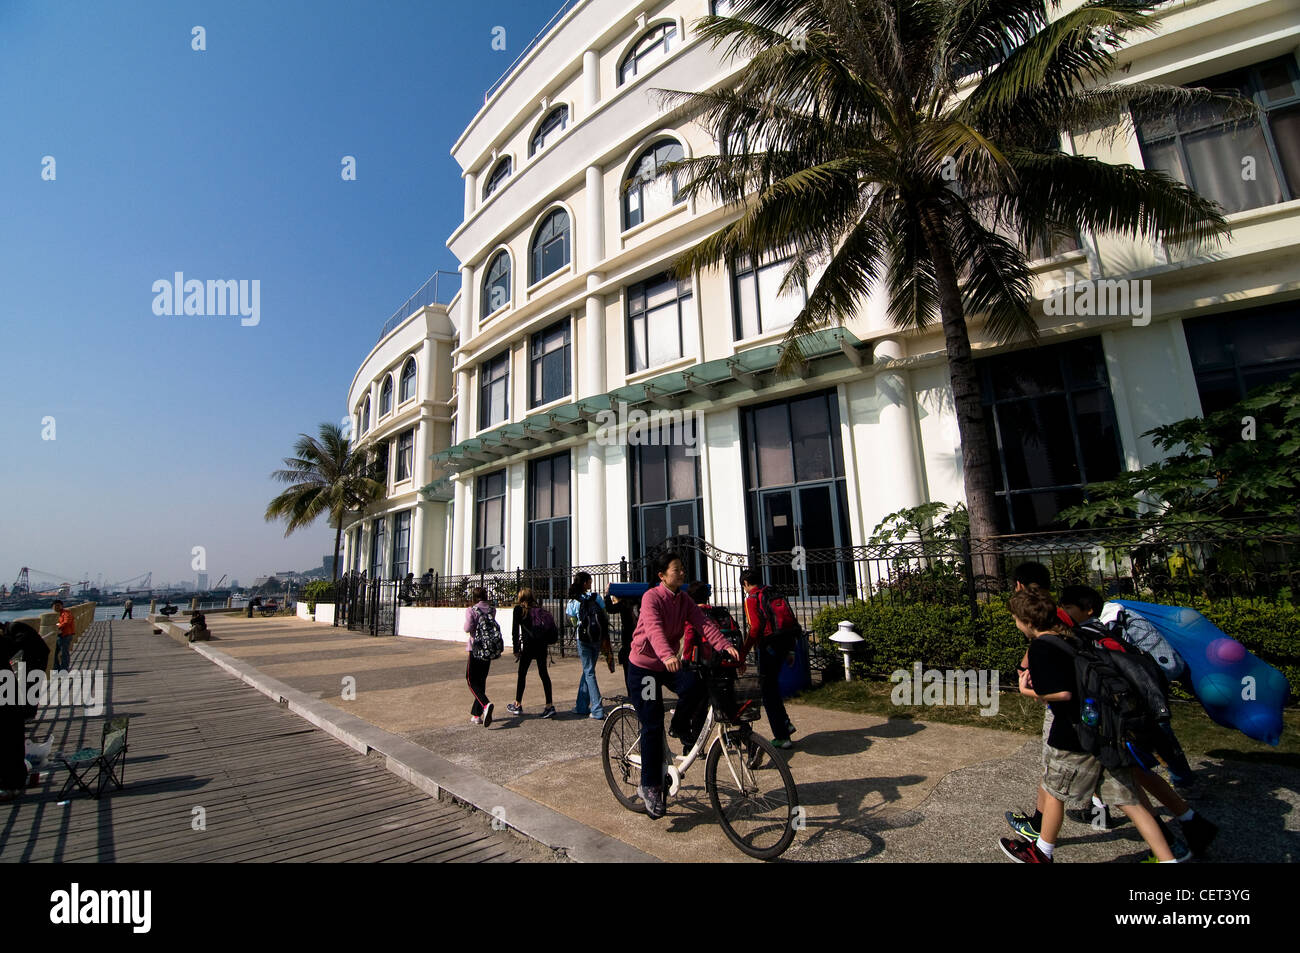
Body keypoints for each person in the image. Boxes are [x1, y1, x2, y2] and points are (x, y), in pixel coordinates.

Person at [999, 586, 1177, 863]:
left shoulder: (1041, 648)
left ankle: (1041, 853)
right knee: (1129, 799)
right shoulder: (1070, 638)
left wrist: (1028, 692)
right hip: (1104, 730)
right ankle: (1168, 858)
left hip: (1075, 733)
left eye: (1016, 619)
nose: (1016, 623)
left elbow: (1062, 694)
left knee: (1055, 791)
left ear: (1027, 622)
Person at [1056, 585, 1216, 859]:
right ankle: (1188, 821)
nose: (1064, 613)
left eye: (1068, 608)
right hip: (1119, 721)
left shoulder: (1092, 636)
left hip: (1113, 723)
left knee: (1126, 784)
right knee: (1136, 775)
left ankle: (1170, 846)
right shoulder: (1098, 632)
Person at [626, 551, 741, 819]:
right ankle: (650, 785)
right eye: (676, 569)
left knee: (696, 685)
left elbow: (704, 624)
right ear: (662, 575)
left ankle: (678, 726)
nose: (681, 573)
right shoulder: (651, 597)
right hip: (645, 668)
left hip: (668, 665)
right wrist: (666, 654)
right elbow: (653, 629)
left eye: (682, 569)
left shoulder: (683, 599)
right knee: (652, 724)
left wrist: (725, 645)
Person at [739, 569, 797, 750]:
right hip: (784, 644)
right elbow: (786, 621)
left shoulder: (752, 599)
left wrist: (743, 652)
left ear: (746, 584)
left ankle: (782, 735)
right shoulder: (772, 592)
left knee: (768, 692)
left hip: (768, 647)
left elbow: (755, 628)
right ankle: (785, 723)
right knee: (773, 687)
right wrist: (790, 650)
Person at [566, 572, 610, 721]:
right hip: (596, 638)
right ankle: (581, 706)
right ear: (585, 583)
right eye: (590, 581)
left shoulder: (573, 601)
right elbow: (605, 615)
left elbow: (572, 620)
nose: (591, 583)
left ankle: (597, 709)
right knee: (588, 671)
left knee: (589, 671)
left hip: (583, 638)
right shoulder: (596, 597)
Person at [507, 588, 554, 718]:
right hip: (541, 645)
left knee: (522, 674)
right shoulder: (539, 609)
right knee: (543, 674)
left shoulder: (519, 610)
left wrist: (516, 649)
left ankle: (517, 704)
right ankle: (549, 705)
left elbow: (515, 631)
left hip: (528, 646)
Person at [463, 588, 496, 726]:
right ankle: (477, 715)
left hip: (475, 648)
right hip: (488, 648)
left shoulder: (472, 610)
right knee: (481, 680)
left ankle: (485, 704)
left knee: (471, 680)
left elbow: (467, 628)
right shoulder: (491, 610)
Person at [52, 600, 74, 672]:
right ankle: (56, 668)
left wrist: (58, 626)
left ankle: (64, 669)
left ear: (62, 606)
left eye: (58, 605)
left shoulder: (66, 613)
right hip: (58, 636)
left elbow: (67, 622)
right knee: (54, 652)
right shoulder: (56, 615)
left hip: (66, 635)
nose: (56, 607)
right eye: (55, 606)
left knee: (64, 653)